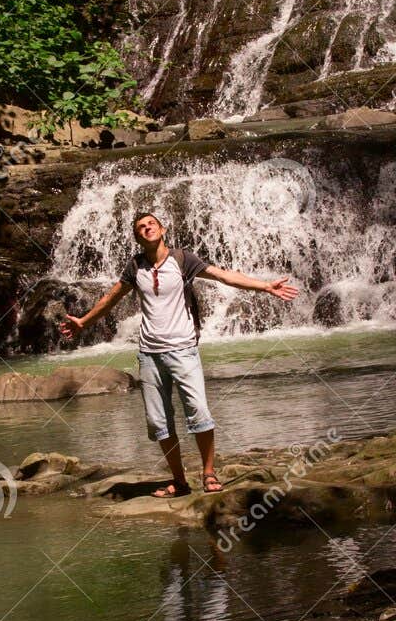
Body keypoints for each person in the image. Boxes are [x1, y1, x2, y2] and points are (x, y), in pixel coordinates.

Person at [59, 210, 298, 496]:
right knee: (158, 421)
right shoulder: (135, 267)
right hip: (149, 354)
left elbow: (223, 276)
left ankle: (209, 473)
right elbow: (112, 297)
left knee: (198, 412)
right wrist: (83, 321)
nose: (146, 229)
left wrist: (265, 286)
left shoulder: (183, 259)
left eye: (151, 225)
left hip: (183, 349)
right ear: (137, 237)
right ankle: (179, 480)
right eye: (140, 228)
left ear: (162, 230)